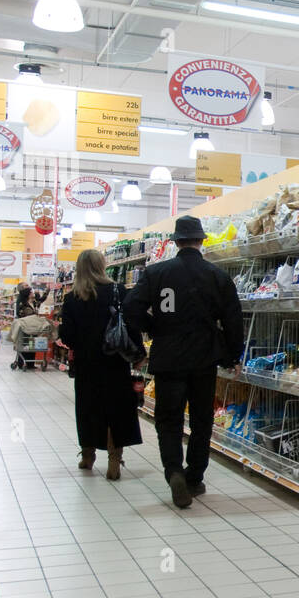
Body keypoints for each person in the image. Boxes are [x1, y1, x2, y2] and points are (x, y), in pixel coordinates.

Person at [124, 216, 243, 508]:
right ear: (202, 241)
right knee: (202, 419)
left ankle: (174, 470)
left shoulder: (156, 273)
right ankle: (194, 477)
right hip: (204, 357)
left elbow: (130, 308)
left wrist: (152, 327)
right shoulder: (218, 276)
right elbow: (233, 320)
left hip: (168, 356)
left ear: (176, 242)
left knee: (169, 419)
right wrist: (231, 355)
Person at [58, 249, 142, 480]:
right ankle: (114, 460)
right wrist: (138, 353)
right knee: (116, 409)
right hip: (115, 360)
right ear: (102, 265)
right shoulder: (118, 291)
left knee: (88, 408)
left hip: (87, 363)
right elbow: (130, 325)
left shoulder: (72, 298)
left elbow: (66, 336)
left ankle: (88, 455)